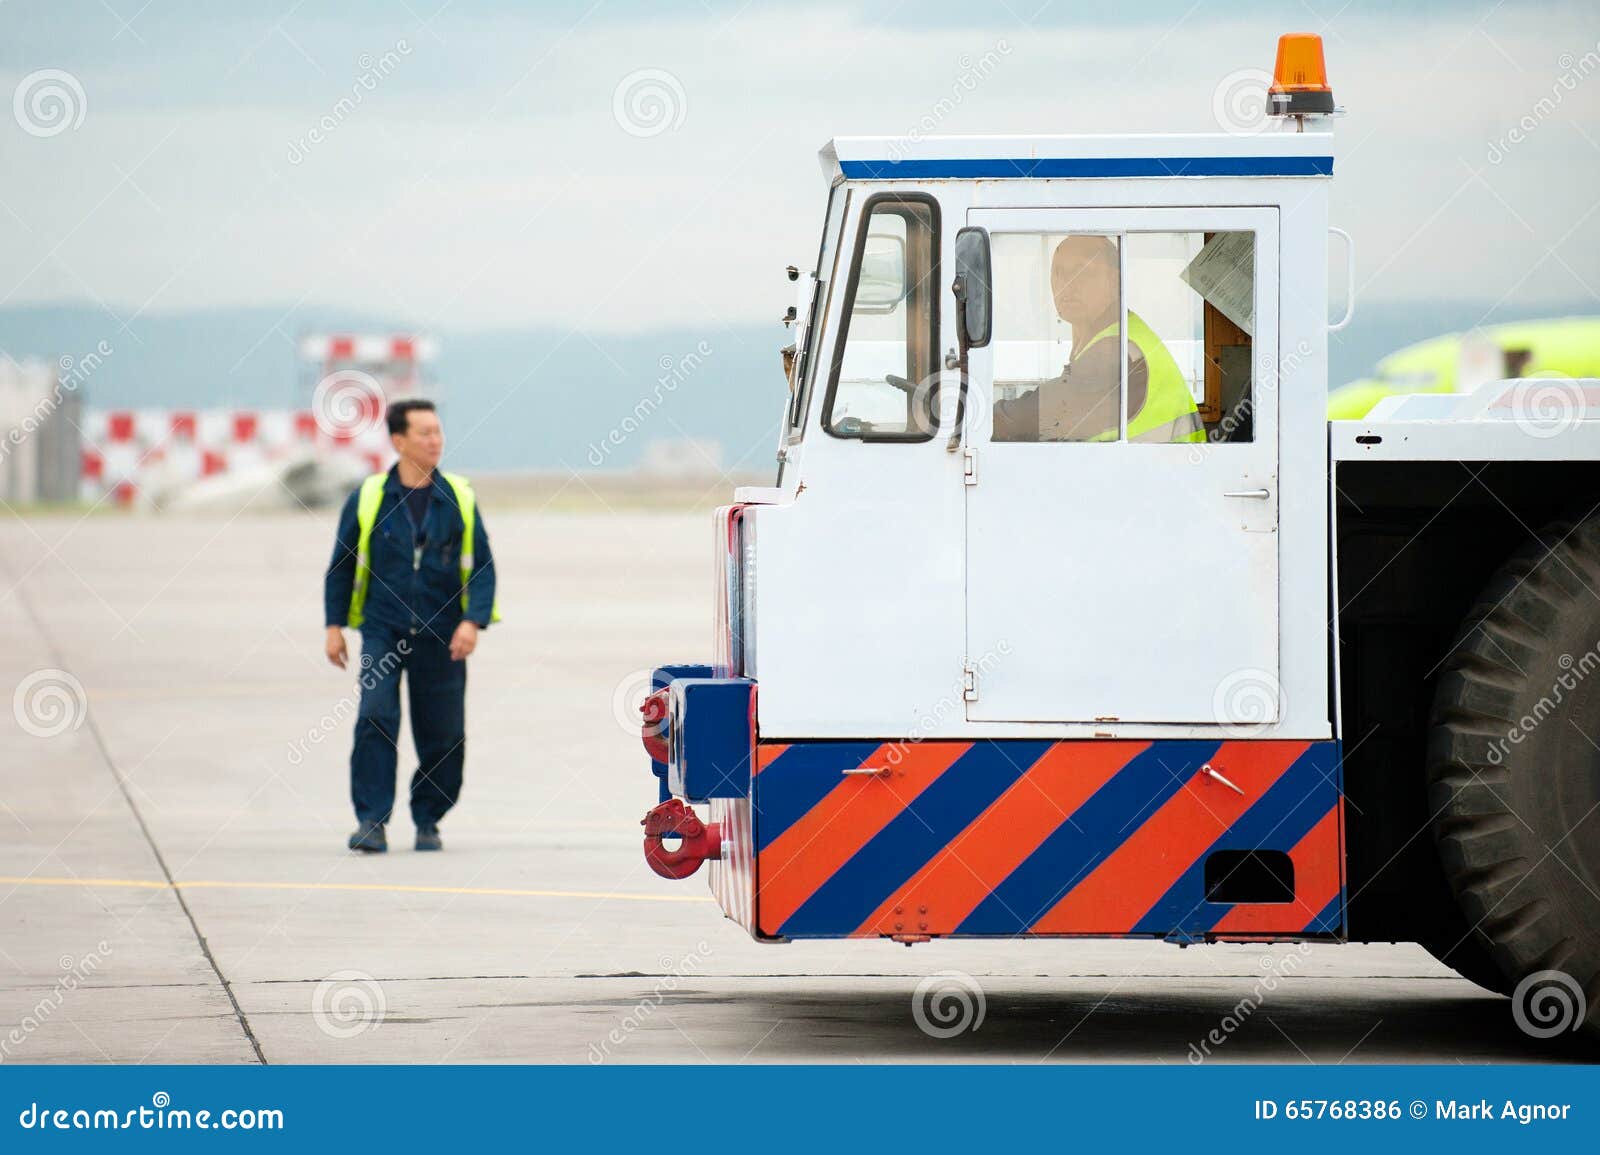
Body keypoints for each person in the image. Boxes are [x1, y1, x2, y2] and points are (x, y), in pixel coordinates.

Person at [323, 399, 498, 853]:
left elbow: (482, 567)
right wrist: (334, 625)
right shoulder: (368, 497)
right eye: (424, 433)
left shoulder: (459, 495)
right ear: (398, 441)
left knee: (444, 733)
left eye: (438, 431)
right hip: (384, 629)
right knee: (375, 716)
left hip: (443, 633)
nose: (435, 440)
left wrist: (472, 622)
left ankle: (428, 818)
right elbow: (341, 565)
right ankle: (371, 821)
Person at [994, 235, 1205, 443]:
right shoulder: (1115, 333)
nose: (1068, 284)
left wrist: (979, 420)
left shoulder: (1116, 350)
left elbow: (1032, 418)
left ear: (1114, 280)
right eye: (1059, 272)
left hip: (1162, 475)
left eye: (1083, 272)